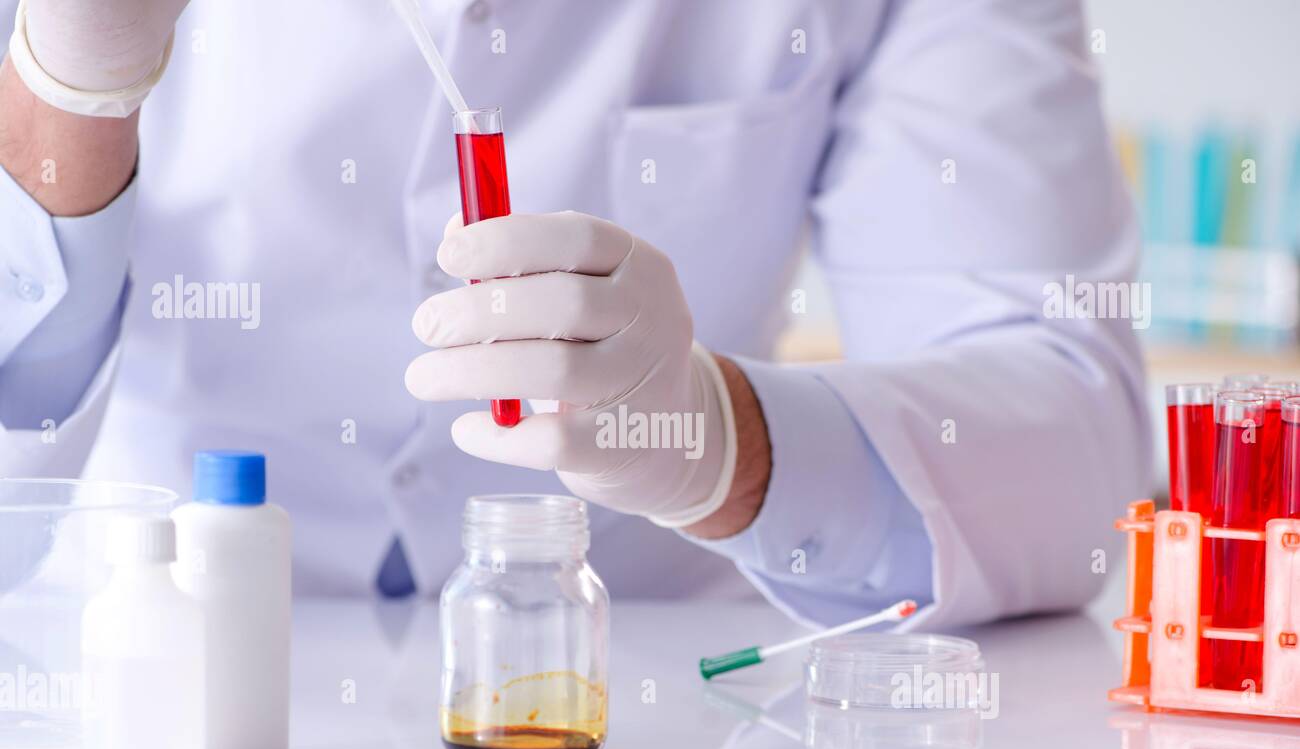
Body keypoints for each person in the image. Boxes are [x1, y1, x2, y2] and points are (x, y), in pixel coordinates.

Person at [0, 0, 1149, 627]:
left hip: (649, 746)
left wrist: (724, 442)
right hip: (138, 693)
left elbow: (1072, 431)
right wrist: (69, 101)